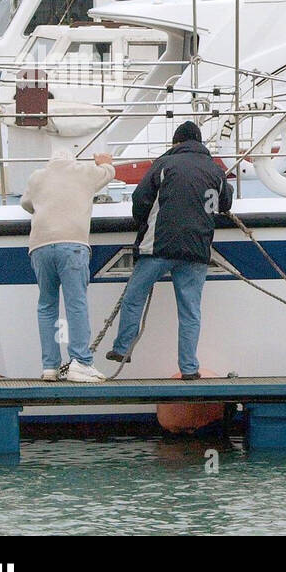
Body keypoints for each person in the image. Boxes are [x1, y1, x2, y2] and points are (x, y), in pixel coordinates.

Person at [106, 122, 232, 380]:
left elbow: (140, 199)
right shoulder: (215, 170)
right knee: (190, 311)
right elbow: (226, 202)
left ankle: (122, 349)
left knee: (134, 296)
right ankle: (189, 368)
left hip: (159, 245)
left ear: (176, 143)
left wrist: (143, 223)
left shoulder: (164, 165)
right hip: (197, 249)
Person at [21, 148, 116, 382]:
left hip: (40, 247)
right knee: (76, 304)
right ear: (72, 160)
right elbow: (108, 172)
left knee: (46, 305)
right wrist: (104, 162)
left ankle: (50, 367)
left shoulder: (37, 177)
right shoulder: (84, 172)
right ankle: (81, 362)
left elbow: (26, 203)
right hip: (72, 245)